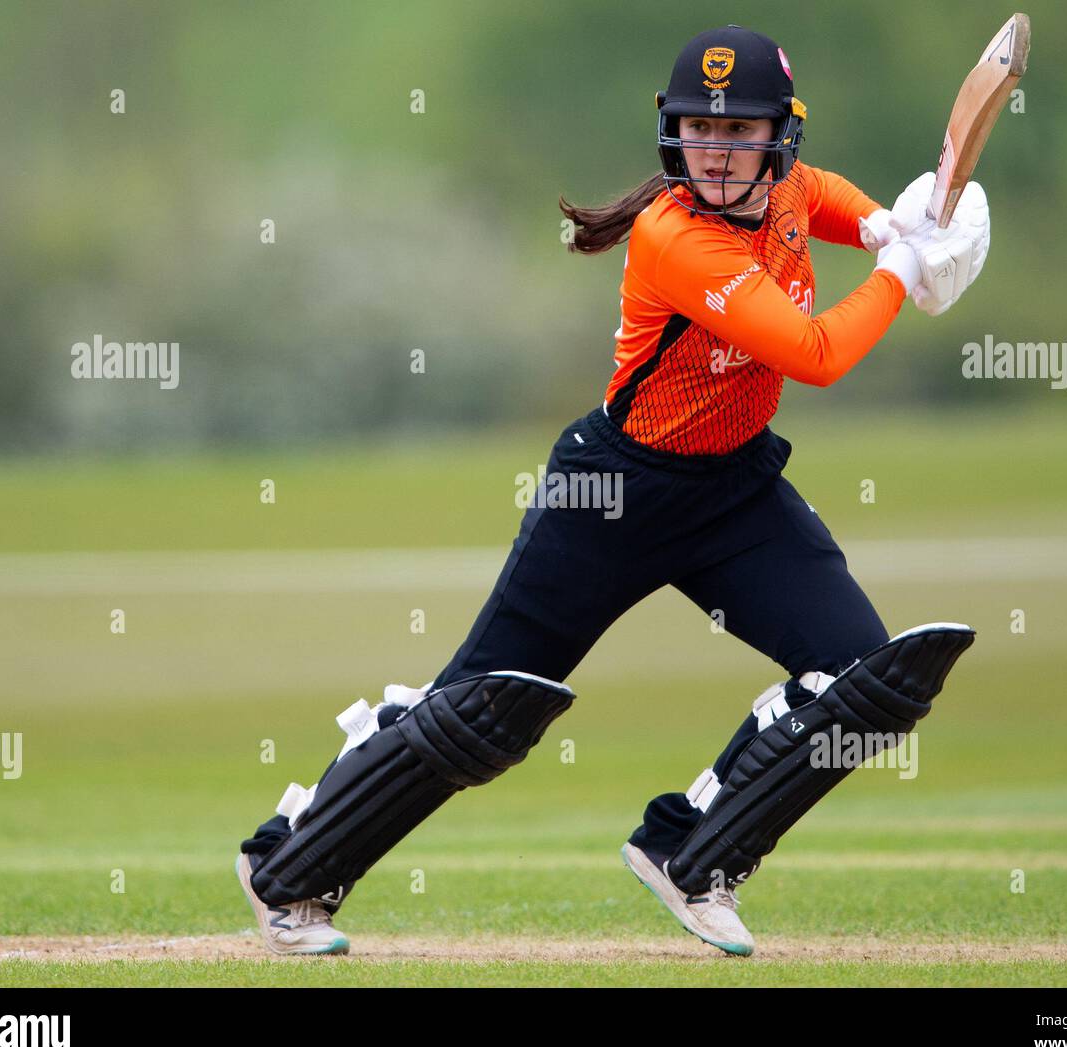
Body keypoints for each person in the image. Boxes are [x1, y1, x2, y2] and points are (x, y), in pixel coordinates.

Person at [234, 24, 985, 957]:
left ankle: (691, 856)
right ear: (672, 134)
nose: (715, 151)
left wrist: (884, 222)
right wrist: (905, 267)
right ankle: (288, 871)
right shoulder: (677, 239)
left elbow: (820, 199)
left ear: (778, 136)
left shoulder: (789, 185)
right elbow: (817, 355)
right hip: (613, 495)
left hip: (735, 494)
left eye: (739, 132)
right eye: (698, 132)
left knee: (868, 681)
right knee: (486, 708)